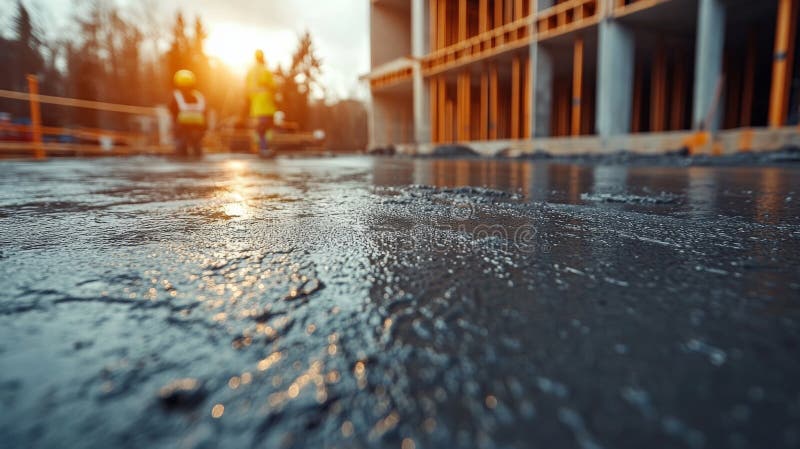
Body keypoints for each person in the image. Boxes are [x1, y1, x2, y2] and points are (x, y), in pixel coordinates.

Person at [169, 69, 207, 157]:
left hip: (182, 126)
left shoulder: (176, 95)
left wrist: (174, 126)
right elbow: (205, 112)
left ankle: (181, 158)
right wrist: (204, 127)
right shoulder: (199, 96)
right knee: (197, 147)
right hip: (198, 126)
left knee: (181, 146)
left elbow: (172, 111)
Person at [246, 49, 277, 157]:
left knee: (259, 127)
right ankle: (265, 148)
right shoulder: (265, 69)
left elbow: (247, 87)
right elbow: (272, 85)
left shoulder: (251, 71)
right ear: (262, 57)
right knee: (265, 128)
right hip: (265, 103)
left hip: (255, 104)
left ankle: (260, 147)